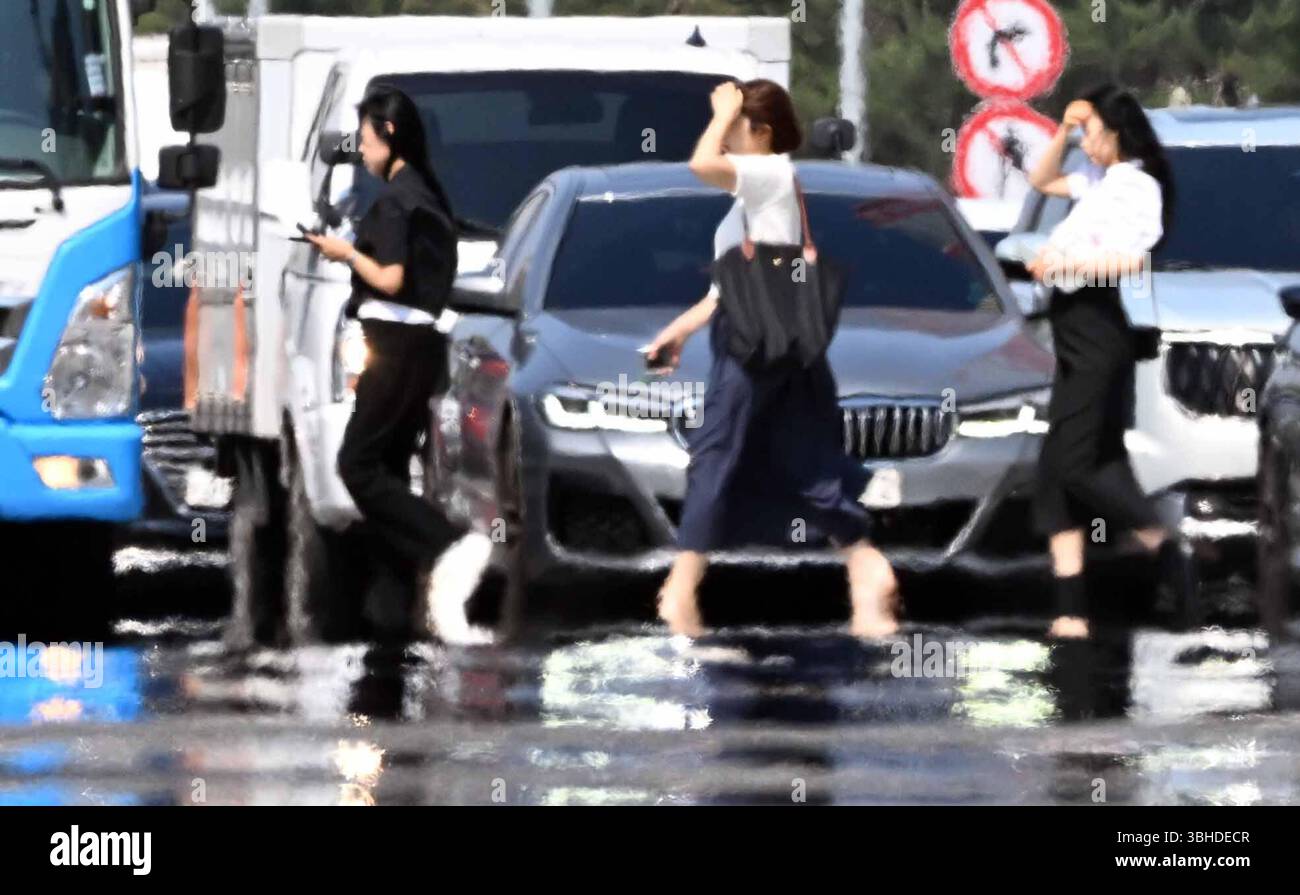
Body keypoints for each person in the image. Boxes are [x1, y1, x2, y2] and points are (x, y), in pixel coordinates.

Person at [644, 79, 900, 640]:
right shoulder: (758, 196)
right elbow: (724, 291)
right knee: (801, 461)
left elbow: (700, 164)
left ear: (759, 131)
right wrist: (680, 333)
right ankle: (864, 564)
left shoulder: (771, 173)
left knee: (714, 452)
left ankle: (680, 591)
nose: (726, 140)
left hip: (755, 345)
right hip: (775, 338)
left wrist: (725, 110)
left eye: (736, 129)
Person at [306, 86, 491, 643]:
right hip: (420, 349)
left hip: (396, 347)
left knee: (357, 465)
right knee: (385, 470)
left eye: (364, 139)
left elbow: (389, 278)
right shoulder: (427, 192)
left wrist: (343, 254)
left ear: (388, 135)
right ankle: (400, 601)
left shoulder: (395, 200)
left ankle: (448, 545)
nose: (360, 152)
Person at [1024, 84, 1181, 640]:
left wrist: (1062, 266)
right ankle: (1070, 613)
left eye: (1091, 133)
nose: (1086, 145)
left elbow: (1129, 261)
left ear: (1116, 131)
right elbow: (1040, 181)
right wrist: (1062, 130)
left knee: (1078, 463)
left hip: (1098, 331)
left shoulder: (1135, 185)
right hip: (1073, 332)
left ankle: (1162, 545)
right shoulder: (1098, 182)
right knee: (1059, 473)